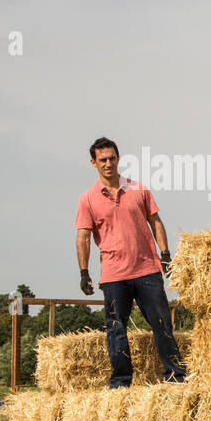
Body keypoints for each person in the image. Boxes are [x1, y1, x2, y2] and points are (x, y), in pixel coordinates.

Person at [75, 137, 186, 388]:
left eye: (112, 158)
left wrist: (165, 253)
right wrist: (84, 272)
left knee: (162, 324)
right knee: (116, 328)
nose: (108, 163)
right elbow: (82, 237)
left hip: (147, 269)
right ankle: (121, 383)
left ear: (118, 158)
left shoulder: (139, 189)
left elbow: (155, 222)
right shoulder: (88, 199)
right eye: (102, 160)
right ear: (93, 163)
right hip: (114, 275)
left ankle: (175, 376)